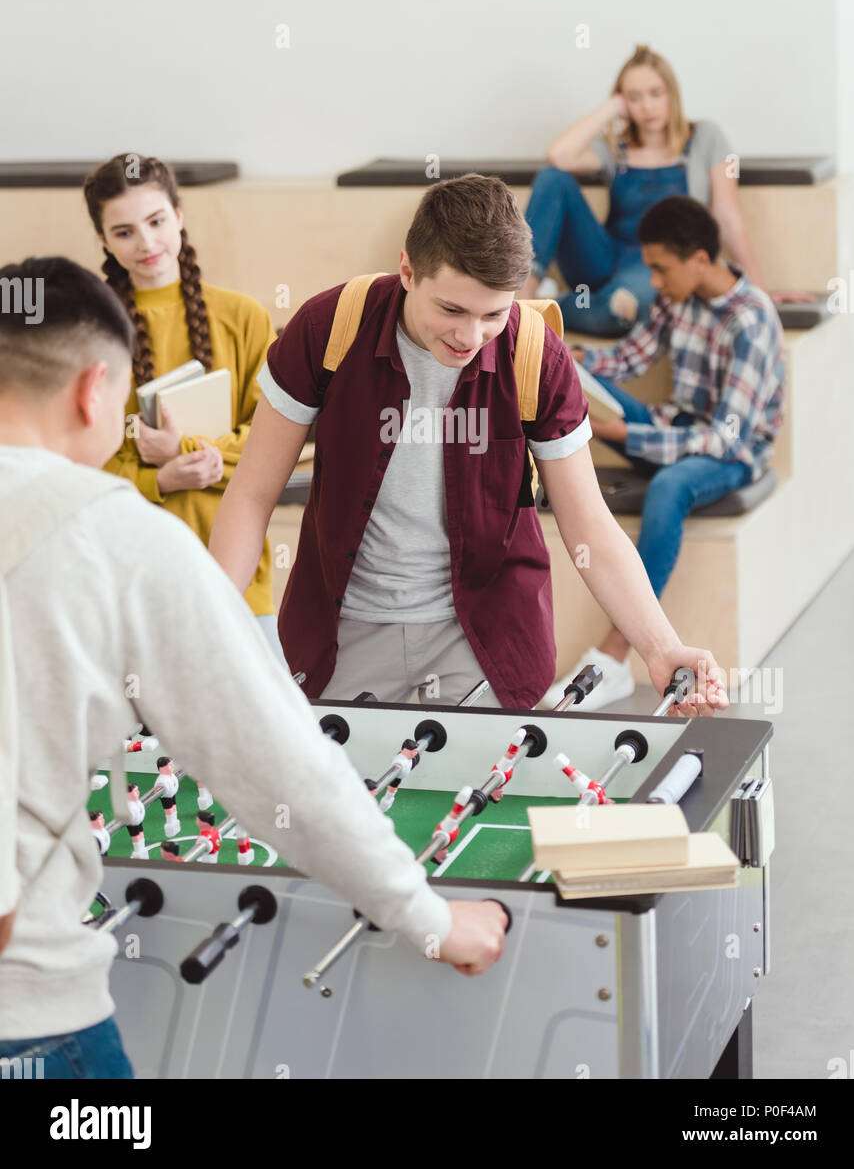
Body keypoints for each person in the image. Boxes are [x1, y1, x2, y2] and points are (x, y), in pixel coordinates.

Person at [0, 256, 508, 1080]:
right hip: (28, 1016)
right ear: (97, 392)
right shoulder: (120, 537)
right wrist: (427, 918)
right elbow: (278, 763)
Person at [209, 172, 729, 716]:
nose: (470, 337)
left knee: (477, 797)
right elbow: (251, 494)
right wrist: (213, 622)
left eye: (493, 315)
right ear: (407, 269)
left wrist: (662, 647)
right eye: (452, 310)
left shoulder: (537, 356)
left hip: (485, 636)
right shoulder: (327, 328)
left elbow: (590, 527)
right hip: (345, 629)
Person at [546, 195, 785, 708]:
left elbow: (725, 437)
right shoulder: (677, 298)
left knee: (671, 486)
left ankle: (612, 658)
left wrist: (626, 437)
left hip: (731, 452)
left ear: (699, 258)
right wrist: (576, 359)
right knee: (572, 386)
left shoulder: (753, 320)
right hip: (674, 426)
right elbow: (633, 355)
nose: (652, 281)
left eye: (660, 268)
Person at [83, 153, 284, 664]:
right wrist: (160, 479)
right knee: (141, 741)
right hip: (134, 576)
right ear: (103, 241)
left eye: (156, 221)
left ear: (179, 214)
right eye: (124, 232)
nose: (147, 243)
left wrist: (190, 450)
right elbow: (82, 468)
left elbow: (274, 443)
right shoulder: (88, 333)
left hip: (239, 575)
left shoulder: (243, 317)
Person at [519, 44, 769, 335]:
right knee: (553, 178)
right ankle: (522, 297)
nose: (647, 106)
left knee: (620, 309)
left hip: (653, 266)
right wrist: (611, 108)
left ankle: (544, 308)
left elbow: (727, 218)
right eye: (634, 98)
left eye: (655, 93)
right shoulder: (617, 147)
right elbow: (559, 155)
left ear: (671, 94)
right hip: (605, 257)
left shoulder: (705, 137)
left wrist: (759, 295)